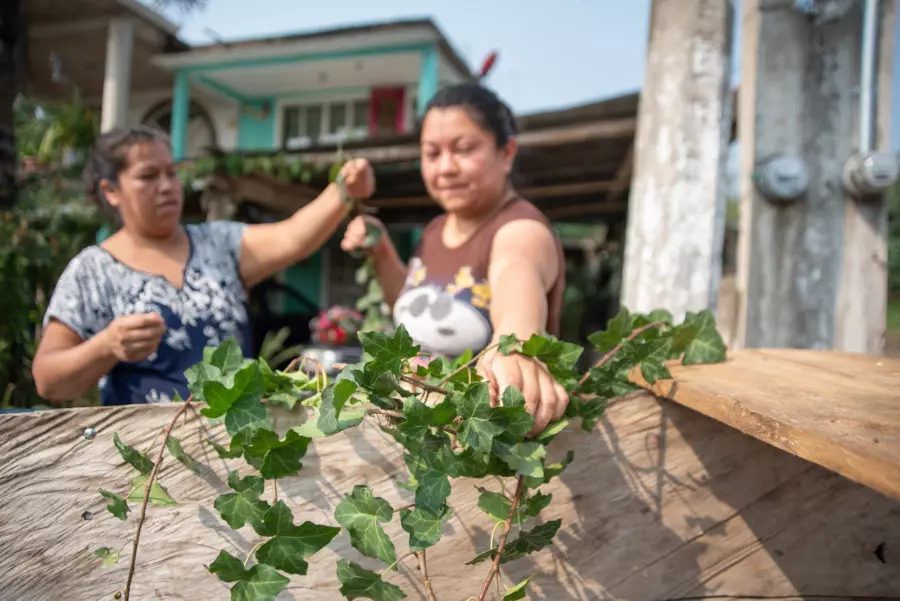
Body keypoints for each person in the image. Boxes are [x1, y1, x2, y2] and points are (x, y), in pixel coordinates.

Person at [33, 125, 374, 406]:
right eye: (148, 176)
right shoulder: (93, 270)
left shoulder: (218, 244)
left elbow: (294, 238)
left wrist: (343, 189)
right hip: (146, 467)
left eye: (172, 173)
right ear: (111, 190)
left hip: (237, 447)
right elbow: (48, 380)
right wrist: (106, 346)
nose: (167, 186)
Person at [341, 83, 567, 434]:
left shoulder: (521, 230)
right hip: (417, 430)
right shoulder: (434, 230)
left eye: (463, 149)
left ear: (506, 152)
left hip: (476, 446)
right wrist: (382, 249)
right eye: (432, 153)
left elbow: (516, 273)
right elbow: (415, 308)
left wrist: (515, 348)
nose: (445, 167)